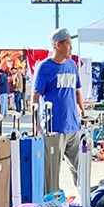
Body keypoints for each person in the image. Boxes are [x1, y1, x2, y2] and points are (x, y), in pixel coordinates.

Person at [32, 29, 84, 186]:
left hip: (73, 125)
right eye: (68, 43)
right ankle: (52, 203)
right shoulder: (44, 67)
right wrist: (36, 124)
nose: (71, 48)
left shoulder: (72, 65)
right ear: (58, 45)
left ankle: (83, 201)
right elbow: (35, 96)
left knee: (80, 169)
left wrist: (82, 110)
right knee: (52, 173)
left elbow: (77, 90)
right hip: (53, 127)